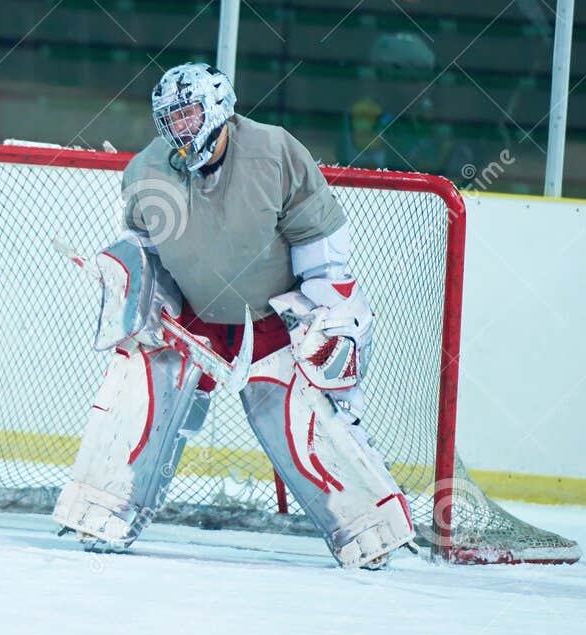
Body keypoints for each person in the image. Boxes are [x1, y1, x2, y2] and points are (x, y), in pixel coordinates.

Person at [53, 62, 416, 569]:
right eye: (172, 119)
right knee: (138, 378)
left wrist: (320, 322)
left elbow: (323, 257)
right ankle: (104, 509)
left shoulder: (275, 153)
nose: (182, 128)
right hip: (192, 320)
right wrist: (143, 297)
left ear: (219, 107)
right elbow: (148, 257)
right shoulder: (146, 173)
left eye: (190, 114)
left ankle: (369, 528)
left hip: (271, 323)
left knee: (298, 418)